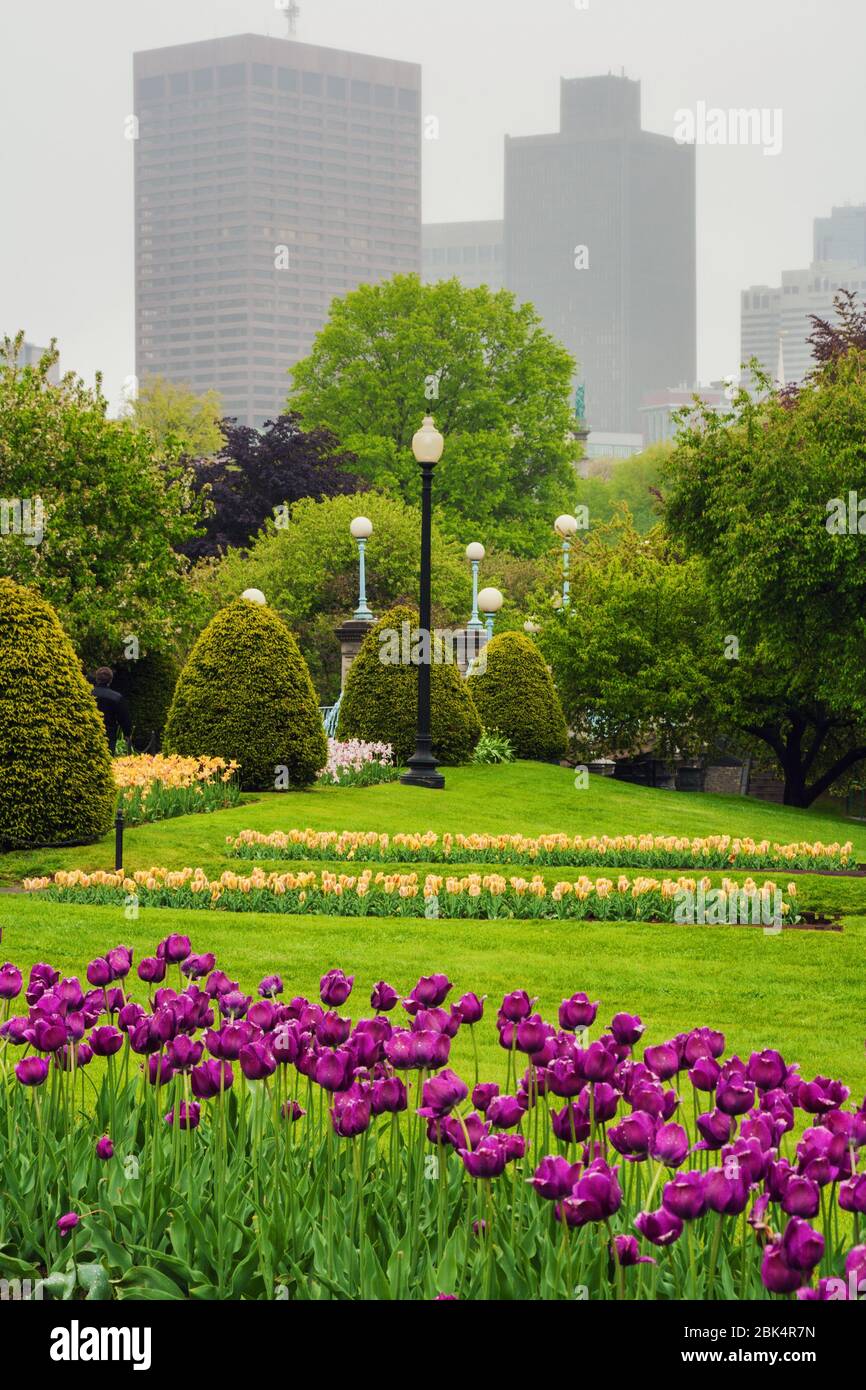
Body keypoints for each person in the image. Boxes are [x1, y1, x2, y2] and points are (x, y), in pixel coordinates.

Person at [90, 667, 132, 754]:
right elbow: (124, 718)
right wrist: (127, 734)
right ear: (110, 680)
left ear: (97, 679)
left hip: (90, 731)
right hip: (109, 732)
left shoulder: (88, 693)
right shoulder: (116, 697)